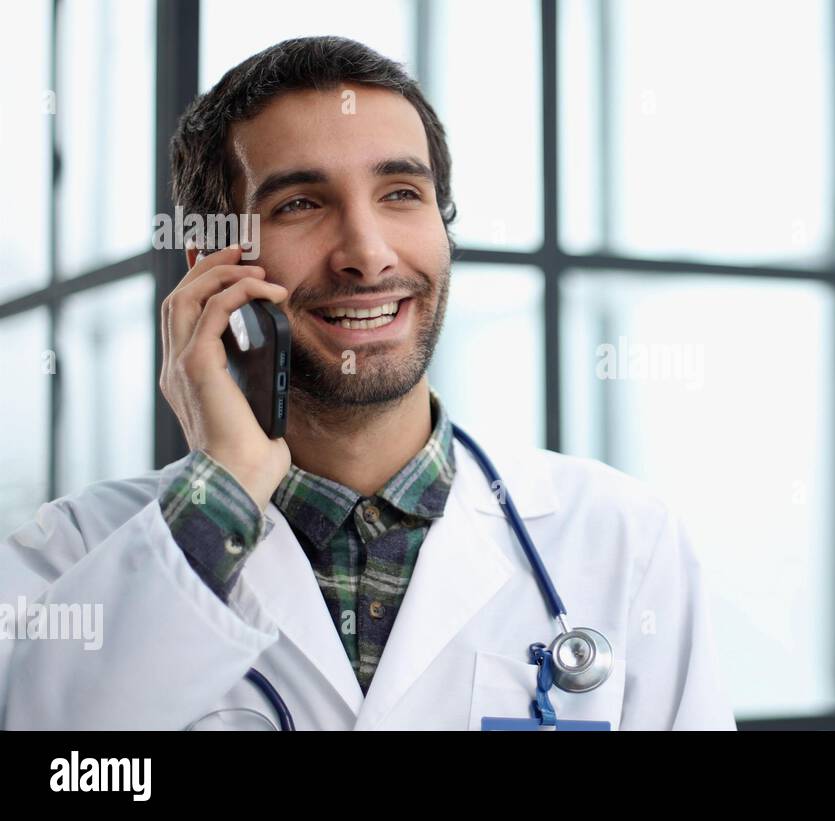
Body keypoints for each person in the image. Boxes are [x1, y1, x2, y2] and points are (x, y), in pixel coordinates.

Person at [0, 36, 735, 731]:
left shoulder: (623, 540)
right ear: (212, 269)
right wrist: (223, 490)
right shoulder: (73, 558)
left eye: (402, 194)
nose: (366, 253)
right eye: (300, 204)